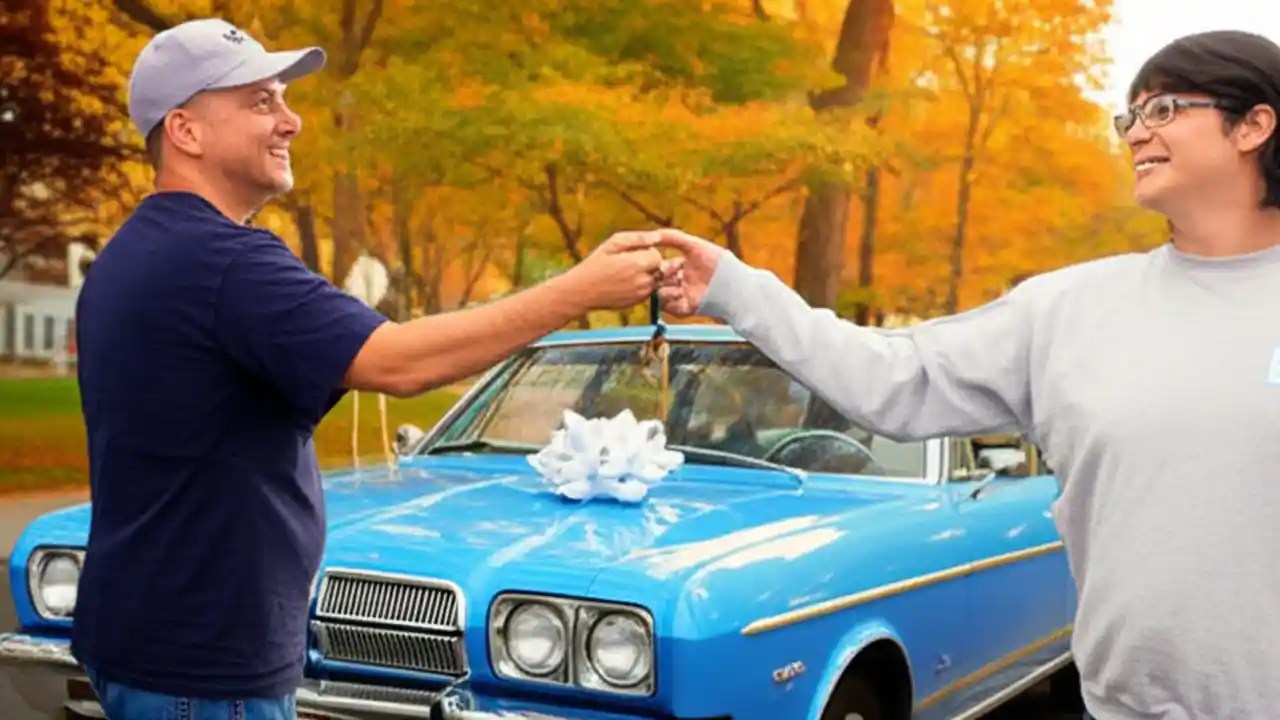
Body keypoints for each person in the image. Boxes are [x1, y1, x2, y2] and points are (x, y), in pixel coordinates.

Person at [656, 29, 1280, 720]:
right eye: (1129, 117)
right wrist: (737, 289)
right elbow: (893, 380)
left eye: (1163, 110)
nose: (1135, 134)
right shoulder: (1068, 309)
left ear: (1254, 124)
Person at [72, 18, 673, 719]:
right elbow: (401, 362)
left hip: (144, 643)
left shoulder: (128, 259)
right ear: (186, 131)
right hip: (204, 674)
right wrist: (580, 289)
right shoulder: (226, 262)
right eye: (260, 102)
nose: (291, 121)